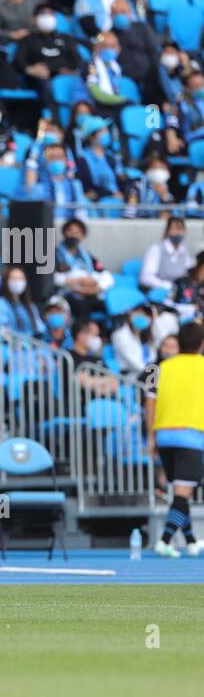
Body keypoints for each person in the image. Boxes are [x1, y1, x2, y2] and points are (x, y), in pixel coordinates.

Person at [147, 320, 204, 558]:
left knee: (181, 491)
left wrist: (151, 437)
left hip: (164, 436)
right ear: (202, 344)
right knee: (182, 494)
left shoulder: (158, 367)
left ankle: (190, 541)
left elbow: (149, 403)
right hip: (191, 436)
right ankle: (164, 540)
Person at [141, 217, 191, 293]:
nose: (178, 232)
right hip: (159, 292)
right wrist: (166, 285)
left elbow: (190, 270)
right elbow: (145, 278)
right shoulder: (156, 249)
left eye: (180, 229)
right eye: (174, 229)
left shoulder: (183, 250)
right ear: (167, 231)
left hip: (179, 293)